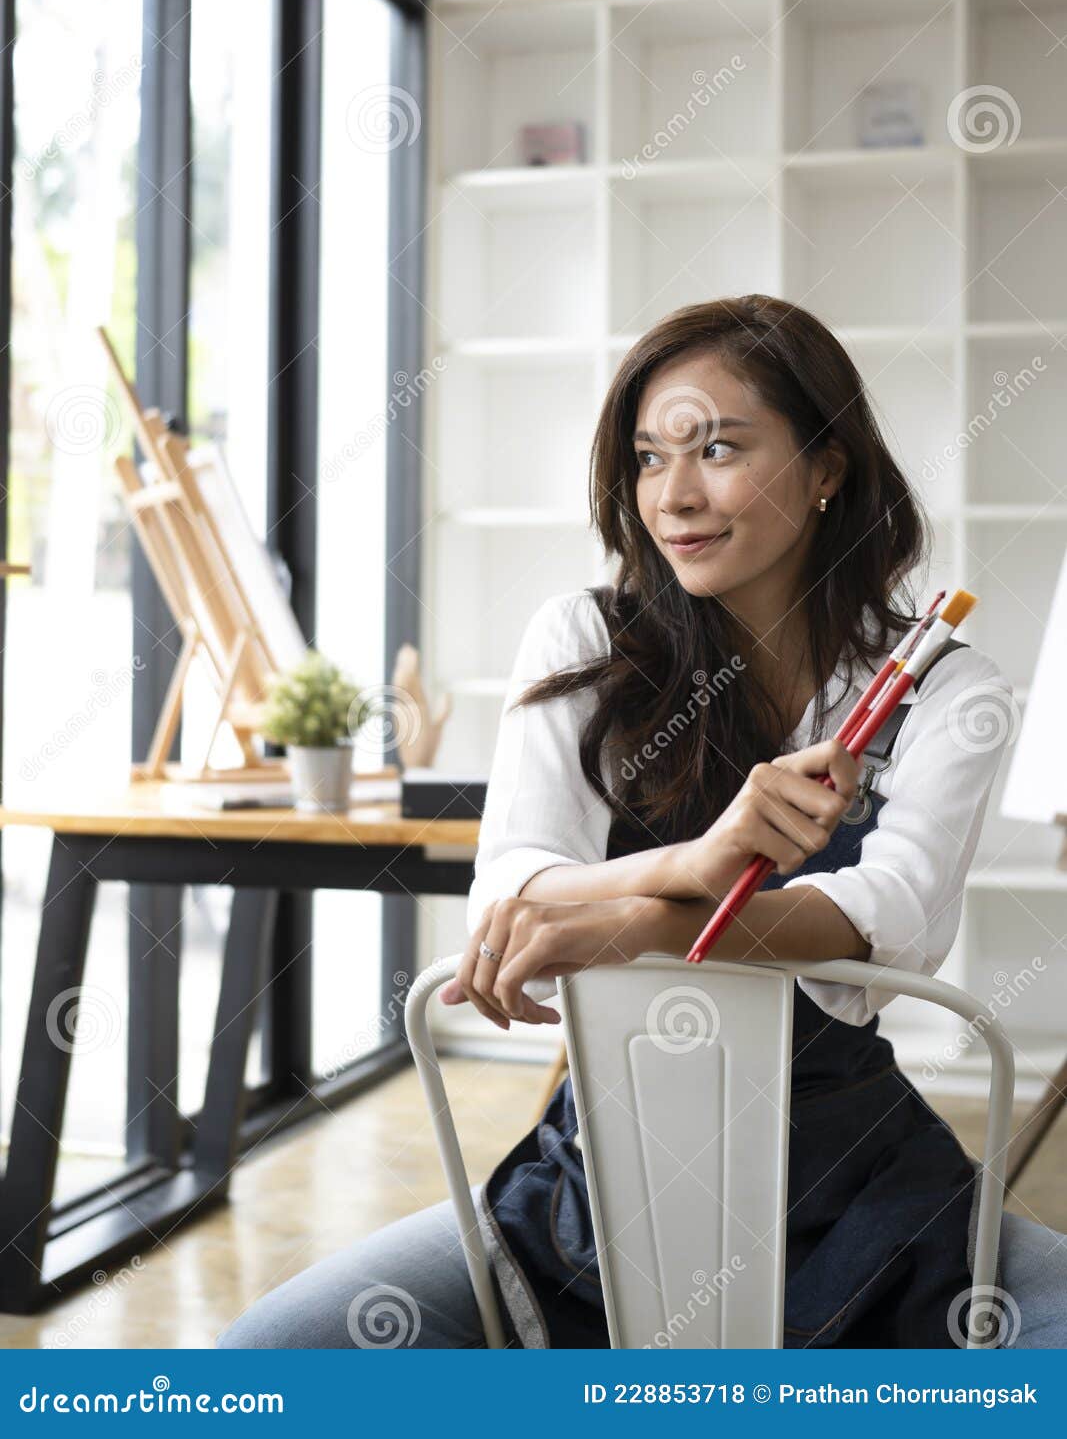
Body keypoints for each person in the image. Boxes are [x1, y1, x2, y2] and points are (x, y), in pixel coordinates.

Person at [218, 294, 1067, 1349]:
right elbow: (512, 885)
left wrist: (650, 929)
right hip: (594, 1178)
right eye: (646, 455)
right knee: (270, 1357)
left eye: (716, 447)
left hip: (857, 1178)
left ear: (825, 466)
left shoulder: (943, 690)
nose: (673, 495)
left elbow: (878, 917)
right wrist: (702, 861)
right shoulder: (582, 637)